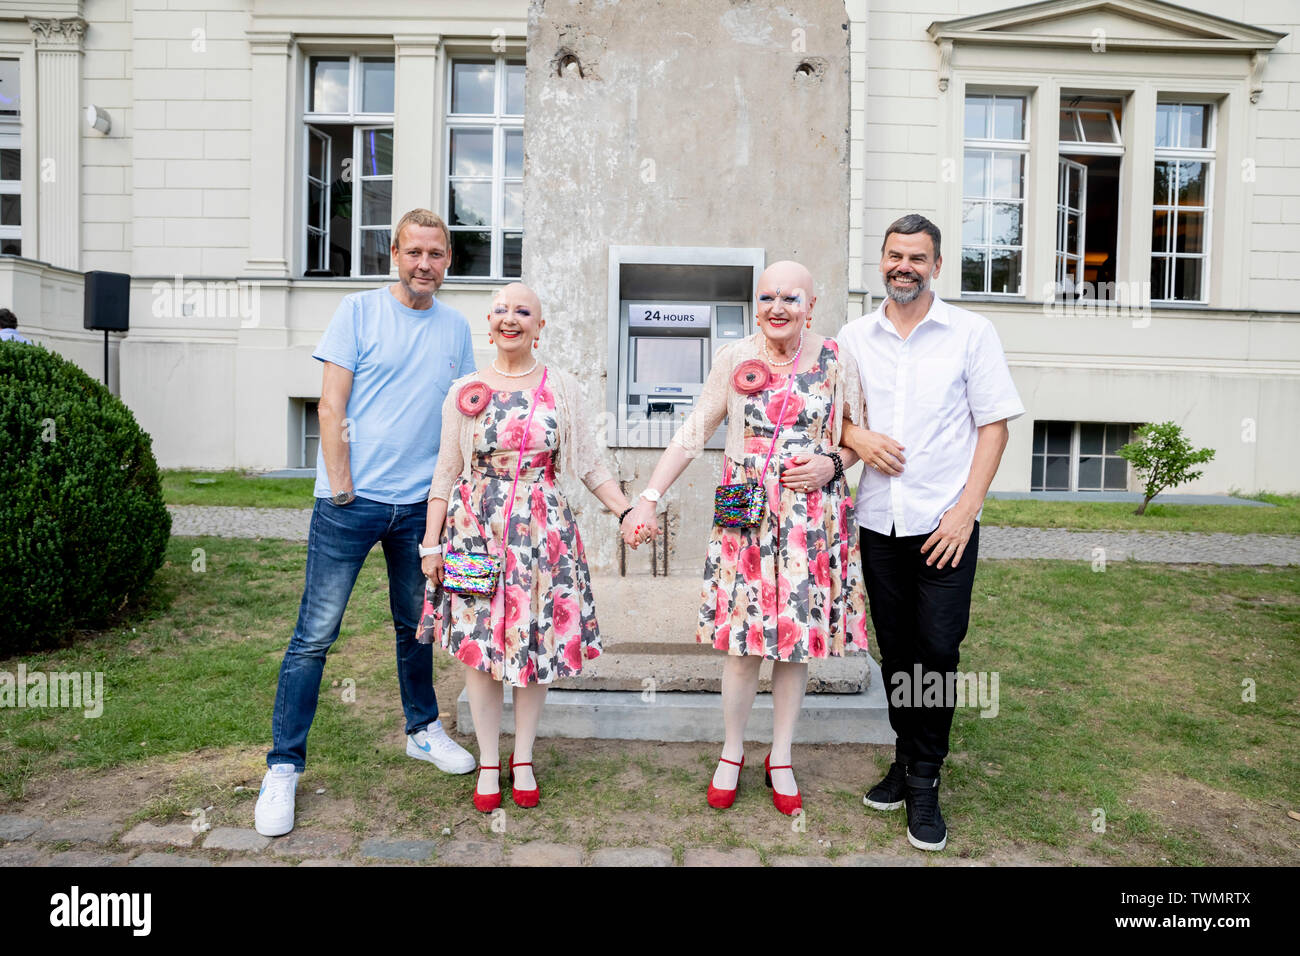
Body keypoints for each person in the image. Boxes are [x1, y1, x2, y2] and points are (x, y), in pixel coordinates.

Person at [255, 208, 478, 838]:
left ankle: (423, 730)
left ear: (448, 262)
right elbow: (331, 404)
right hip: (349, 505)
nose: (424, 264)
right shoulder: (357, 312)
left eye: (435, 254)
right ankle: (283, 766)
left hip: (419, 511)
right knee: (314, 636)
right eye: (414, 252)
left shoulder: (456, 327)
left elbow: (459, 414)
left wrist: (452, 496)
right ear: (395, 254)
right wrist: (344, 483)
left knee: (416, 626)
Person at [625, 261, 870, 815]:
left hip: (810, 522)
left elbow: (857, 435)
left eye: (790, 297)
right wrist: (649, 496)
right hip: (747, 520)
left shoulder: (837, 359)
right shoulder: (733, 358)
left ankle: (780, 755)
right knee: (742, 647)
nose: (777, 307)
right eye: (766, 297)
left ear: (812, 304)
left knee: (793, 647)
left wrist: (833, 462)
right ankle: (732, 751)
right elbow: (693, 432)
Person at [838, 214, 1024, 852]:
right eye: (895, 256)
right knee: (895, 649)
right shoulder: (852, 337)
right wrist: (856, 436)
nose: (904, 267)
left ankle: (925, 777)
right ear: (881, 261)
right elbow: (830, 417)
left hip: (945, 524)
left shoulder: (971, 332)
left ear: (937, 266)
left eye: (917, 258)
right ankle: (903, 755)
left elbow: (994, 424)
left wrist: (966, 510)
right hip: (879, 522)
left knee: (938, 651)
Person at [421, 282, 638, 813]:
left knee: (532, 646)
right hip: (475, 531)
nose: (510, 319)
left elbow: (588, 464)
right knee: (481, 648)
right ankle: (489, 762)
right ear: (489, 322)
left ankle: (523, 757)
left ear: (540, 326)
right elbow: (446, 472)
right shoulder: (465, 389)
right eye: (501, 310)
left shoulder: (563, 387)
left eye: (523, 311)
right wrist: (431, 544)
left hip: (543, 536)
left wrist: (627, 509)